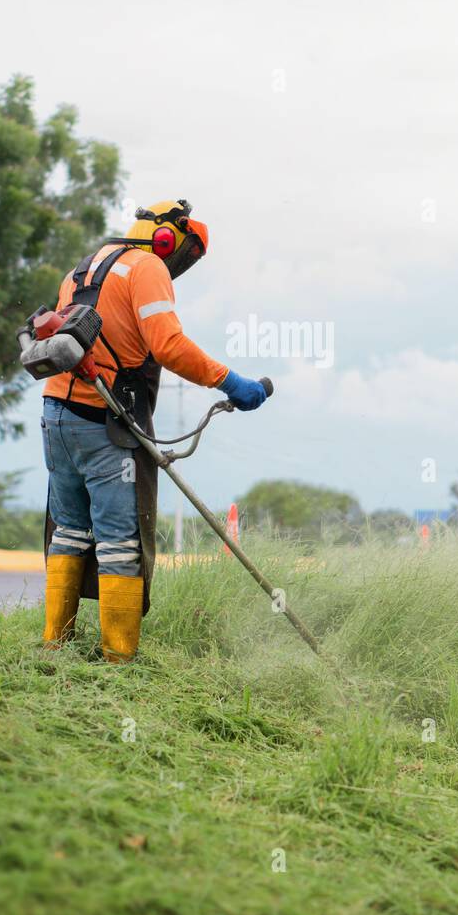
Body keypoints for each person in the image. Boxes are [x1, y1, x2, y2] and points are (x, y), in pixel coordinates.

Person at [39, 197, 266, 661]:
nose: (181, 262)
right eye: (185, 251)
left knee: (69, 531)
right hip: (103, 421)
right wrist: (229, 380)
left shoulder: (84, 267)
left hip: (56, 417)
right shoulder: (146, 267)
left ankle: (54, 648)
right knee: (120, 542)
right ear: (168, 236)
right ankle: (118, 662)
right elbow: (168, 345)